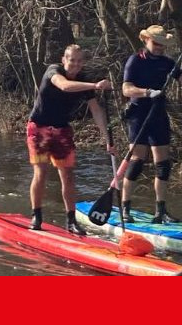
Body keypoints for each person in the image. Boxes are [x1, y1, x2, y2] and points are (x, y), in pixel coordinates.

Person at [26, 45, 115, 234]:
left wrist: (107, 138)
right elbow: (65, 86)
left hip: (62, 129)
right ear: (64, 60)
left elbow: (96, 110)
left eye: (79, 61)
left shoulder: (83, 79)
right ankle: (36, 216)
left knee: (68, 176)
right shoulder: (54, 71)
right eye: (71, 60)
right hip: (39, 127)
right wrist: (95, 85)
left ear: (82, 63)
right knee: (41, 173)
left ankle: (71, 221)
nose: (75, 64)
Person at [119, 25, 182, 224]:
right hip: (139, 114)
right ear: (146, 41)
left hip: (158, 114)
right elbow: (126, 89)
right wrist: (147, 92)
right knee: (137, 160)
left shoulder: (168, 62)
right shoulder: (135, 61)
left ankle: (160, 211)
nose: (159, 47)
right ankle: (125, 206)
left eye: (162, 45)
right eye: (156, 43)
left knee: (163, 163)